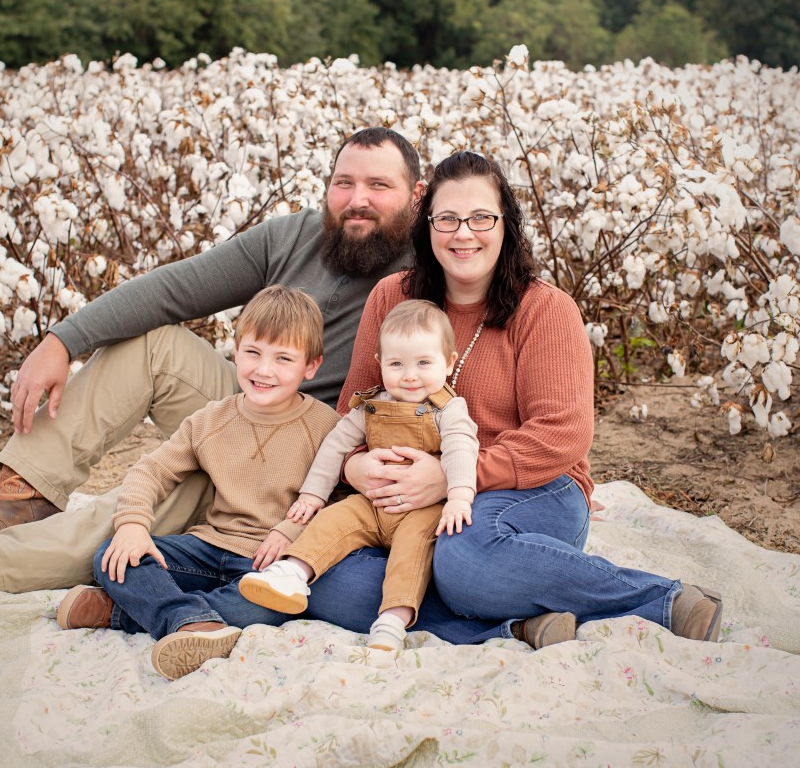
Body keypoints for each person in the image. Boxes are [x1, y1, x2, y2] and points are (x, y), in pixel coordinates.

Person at [0, 127, 425, 603]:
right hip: (255, 399)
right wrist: (62, 340)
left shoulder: (431, 264)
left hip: (320, 450)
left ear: (417, 195)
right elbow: (175, 288)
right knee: (156, 344)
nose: (357, 200)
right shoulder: (294, 236)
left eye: (379, 185)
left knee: (190, 483)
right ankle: (22, 498)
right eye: (343, 183)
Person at [301, 151, 724, 645]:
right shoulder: (393, 297)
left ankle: (662, 600)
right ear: (427, 226)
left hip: (533, 489)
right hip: (408, 500)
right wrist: (355, 466)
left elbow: (561, 434)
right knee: (325, 577)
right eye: (447, 218)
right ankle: (521, 625)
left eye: (481, 217)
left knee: (464, 559)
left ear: (506, 224)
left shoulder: (545, 309)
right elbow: (355, 408)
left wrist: (451, 477)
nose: (464, 233)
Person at [53, 286, 340, 681]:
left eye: (283, 359)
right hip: (206, 549)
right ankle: (193, 620)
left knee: (267, 607)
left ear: (311, 366)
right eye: (253, 353)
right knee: (111, 555)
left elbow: (341, 502)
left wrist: (291, 531)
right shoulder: (211, 420)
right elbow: (150, 470)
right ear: (235, 351)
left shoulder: (325, 427)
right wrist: (133, 525)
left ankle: (123, 613)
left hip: (269, 565)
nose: (263, 370)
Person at [237, 299, 480, 653]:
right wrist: (313, 494)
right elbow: (336, 444)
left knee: (412, 553)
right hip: (371, 502)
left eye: (423, 363)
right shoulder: (372, 405)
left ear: (449, 362)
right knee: (332, 520)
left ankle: (392, 620)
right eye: (396, 364)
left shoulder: (448, 409)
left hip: (421, 509)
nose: (409, 375)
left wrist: (459, 496)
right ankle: (293, 572)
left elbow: (461, 447)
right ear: (380, 363)